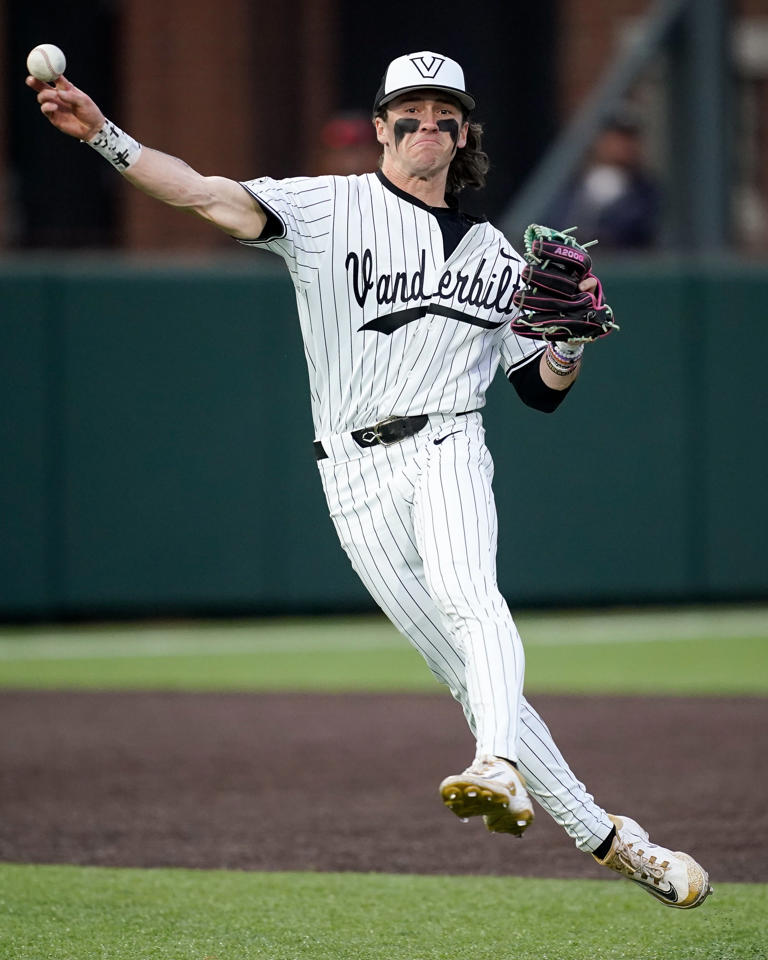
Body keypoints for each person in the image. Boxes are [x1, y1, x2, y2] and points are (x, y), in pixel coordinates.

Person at [28, 49, 710, 908]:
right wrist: (106, 138)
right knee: (468, 675)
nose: (429, 126)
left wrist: (569, 343)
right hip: (350, 477)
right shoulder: (325, 207)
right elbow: (200, 190)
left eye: (445, 115)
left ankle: (495, 764)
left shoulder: (497, 255)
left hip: (448, 444)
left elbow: (537, 391)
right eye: (411, 112)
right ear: (382, 125)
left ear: (464, 134)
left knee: (474, 599)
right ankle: (615, 841)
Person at [544, 111, 662, 250]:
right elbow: (553, 223)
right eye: (614, 138)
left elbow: (637, 230)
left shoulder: (646, 191)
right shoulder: (572, 184)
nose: (620, 146)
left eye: (627, 139)